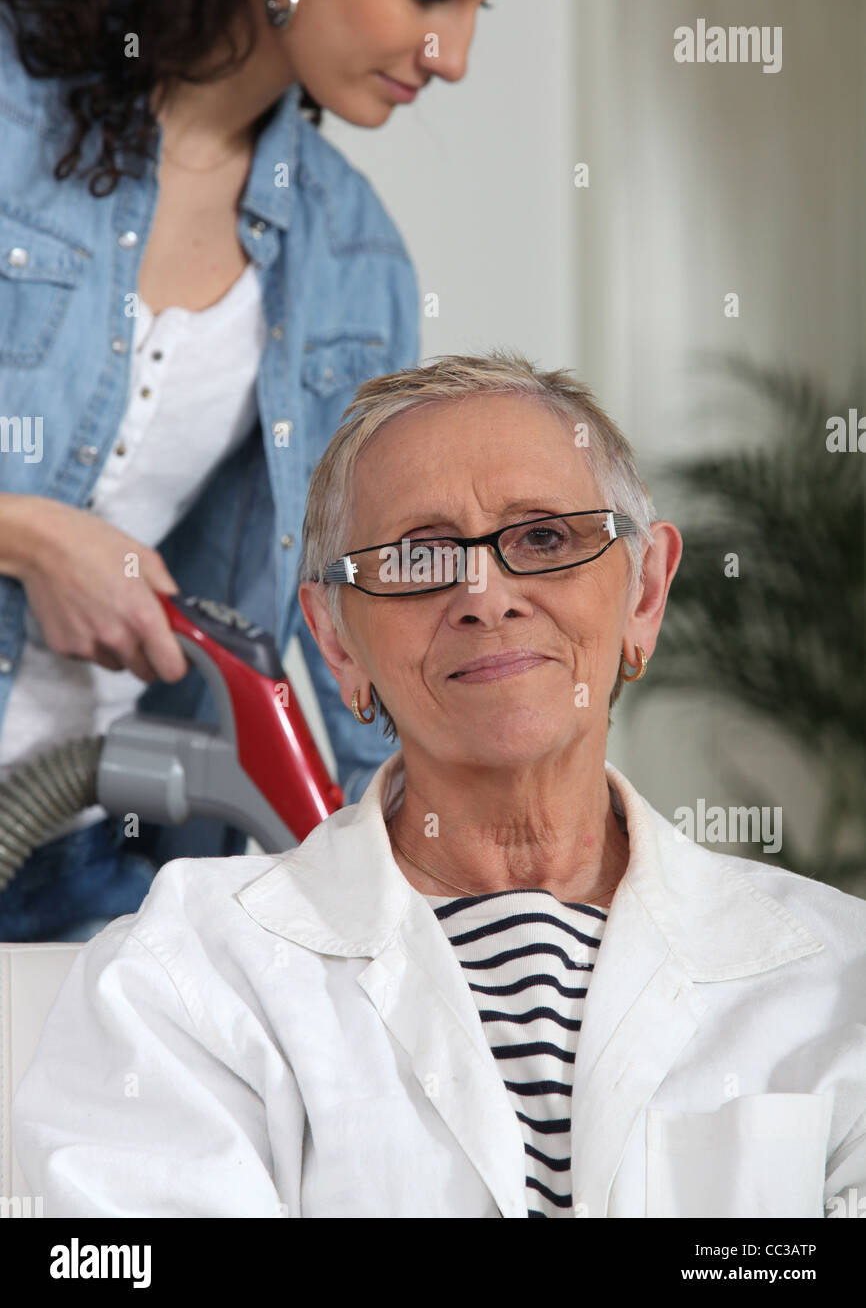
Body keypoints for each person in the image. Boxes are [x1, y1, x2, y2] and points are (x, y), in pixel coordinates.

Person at [13, 351, 866, 1218]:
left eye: (544, 537)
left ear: (645, 592)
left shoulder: (842, 976)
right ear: (336, 640)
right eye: (418, 557)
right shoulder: (184, 973)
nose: (484, 596)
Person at [0, 0, 540, 941]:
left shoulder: (350, 256)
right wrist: (27, 537)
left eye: (481, 5)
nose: (456, 57)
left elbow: (369, 627)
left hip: (97, 872)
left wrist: (440, 919)